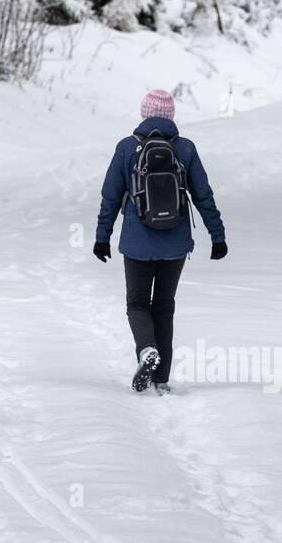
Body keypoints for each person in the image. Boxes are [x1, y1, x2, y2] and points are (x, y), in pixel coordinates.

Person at [94, 89, 226, 394]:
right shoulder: (186, 149)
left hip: (137, 244)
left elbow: (110, 197)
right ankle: (161, 378)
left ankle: (146, 350)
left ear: (143, 114)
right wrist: (217, 236)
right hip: (175, 244)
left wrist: (102, 238)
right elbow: (203, 196)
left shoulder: (127, 148)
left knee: (137, 303)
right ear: (171, 116)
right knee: (164, 307)